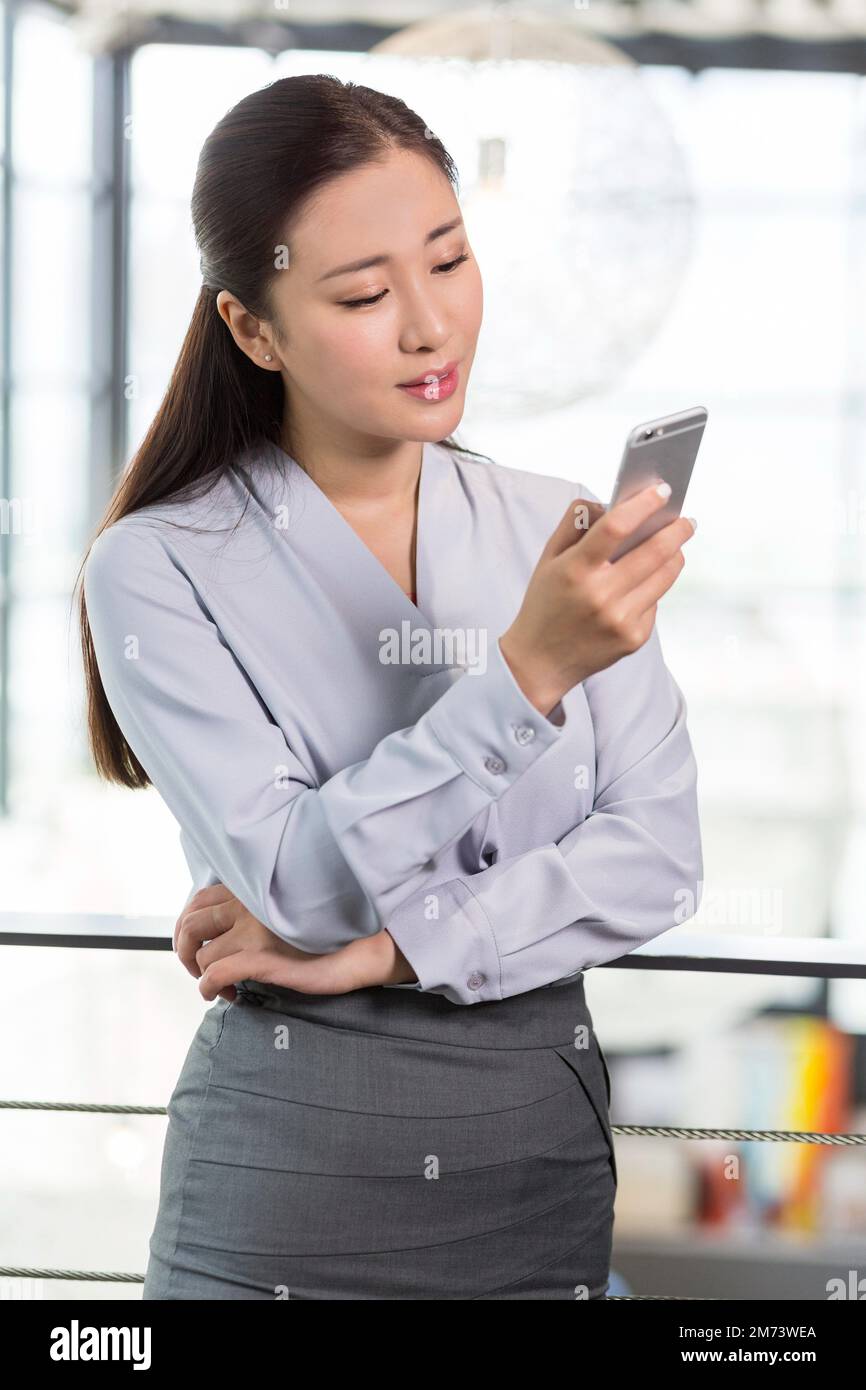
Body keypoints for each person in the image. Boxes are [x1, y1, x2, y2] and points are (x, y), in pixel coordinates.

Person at [76, 73, 702, 1300]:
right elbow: (300, 884)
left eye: (450, 261)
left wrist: (392, 949)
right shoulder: (155, 566)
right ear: (254, 331)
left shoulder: (553, 525)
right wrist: (530, 670)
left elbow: (659, 858)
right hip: (288, 1183)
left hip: (539, 1170)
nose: (431, 326)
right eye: (363, 293)